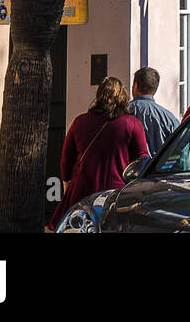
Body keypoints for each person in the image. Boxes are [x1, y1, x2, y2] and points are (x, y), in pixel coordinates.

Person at [49, 76, 148, 230]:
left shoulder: (80, 122)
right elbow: (142, 160)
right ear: (123, 96)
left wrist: (67, 182)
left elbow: (66, 158)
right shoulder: (132, 124)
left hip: (83, 188)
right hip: (116, 191)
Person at [127, 67, 181, 157]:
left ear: (135, 85)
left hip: (130, 169)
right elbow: (180, 149)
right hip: (159, 170)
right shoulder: (168, 118)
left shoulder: (123, 112)